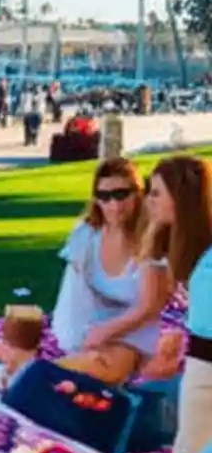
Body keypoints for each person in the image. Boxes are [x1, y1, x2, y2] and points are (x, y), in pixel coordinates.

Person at [49, 158, 170, 385]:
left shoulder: (150, 238)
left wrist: (103, 333)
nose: (113, 205)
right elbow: (72, 295)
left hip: (133, 330)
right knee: (69, 373)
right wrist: (77, 337)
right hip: (91, 326)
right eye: (104, 197)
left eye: (121, 194)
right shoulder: (87, 234)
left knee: (91, 369)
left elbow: (148, 307)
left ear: (138, 193)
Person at [134, 155, 212, 453]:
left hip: (205, 374)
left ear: (179, 199)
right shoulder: (194, 253)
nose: (147, 201)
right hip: (200, 365)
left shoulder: (206, 264)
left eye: (155, 193)